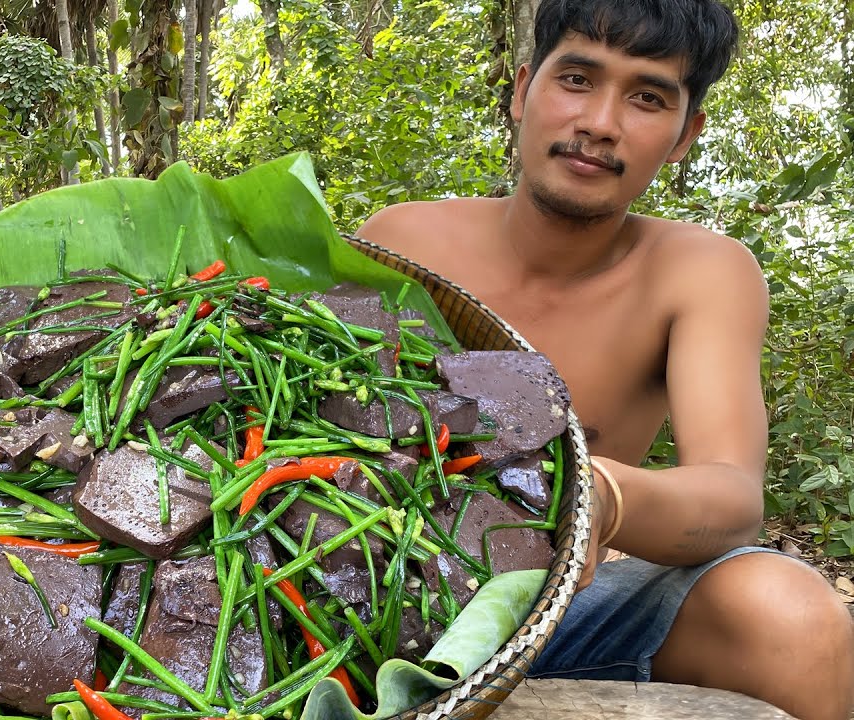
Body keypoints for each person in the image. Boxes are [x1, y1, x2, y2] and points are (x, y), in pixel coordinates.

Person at [358, 0, 854, 718]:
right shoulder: (404, 241)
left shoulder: (699, 273)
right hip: (371, 597)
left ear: (687, 135)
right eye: (577, 79)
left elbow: (732, 495)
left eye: (648, 97)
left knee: (793, 616)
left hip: (565, 614)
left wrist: (604, 498)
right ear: (523, 88)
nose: (599, 122)